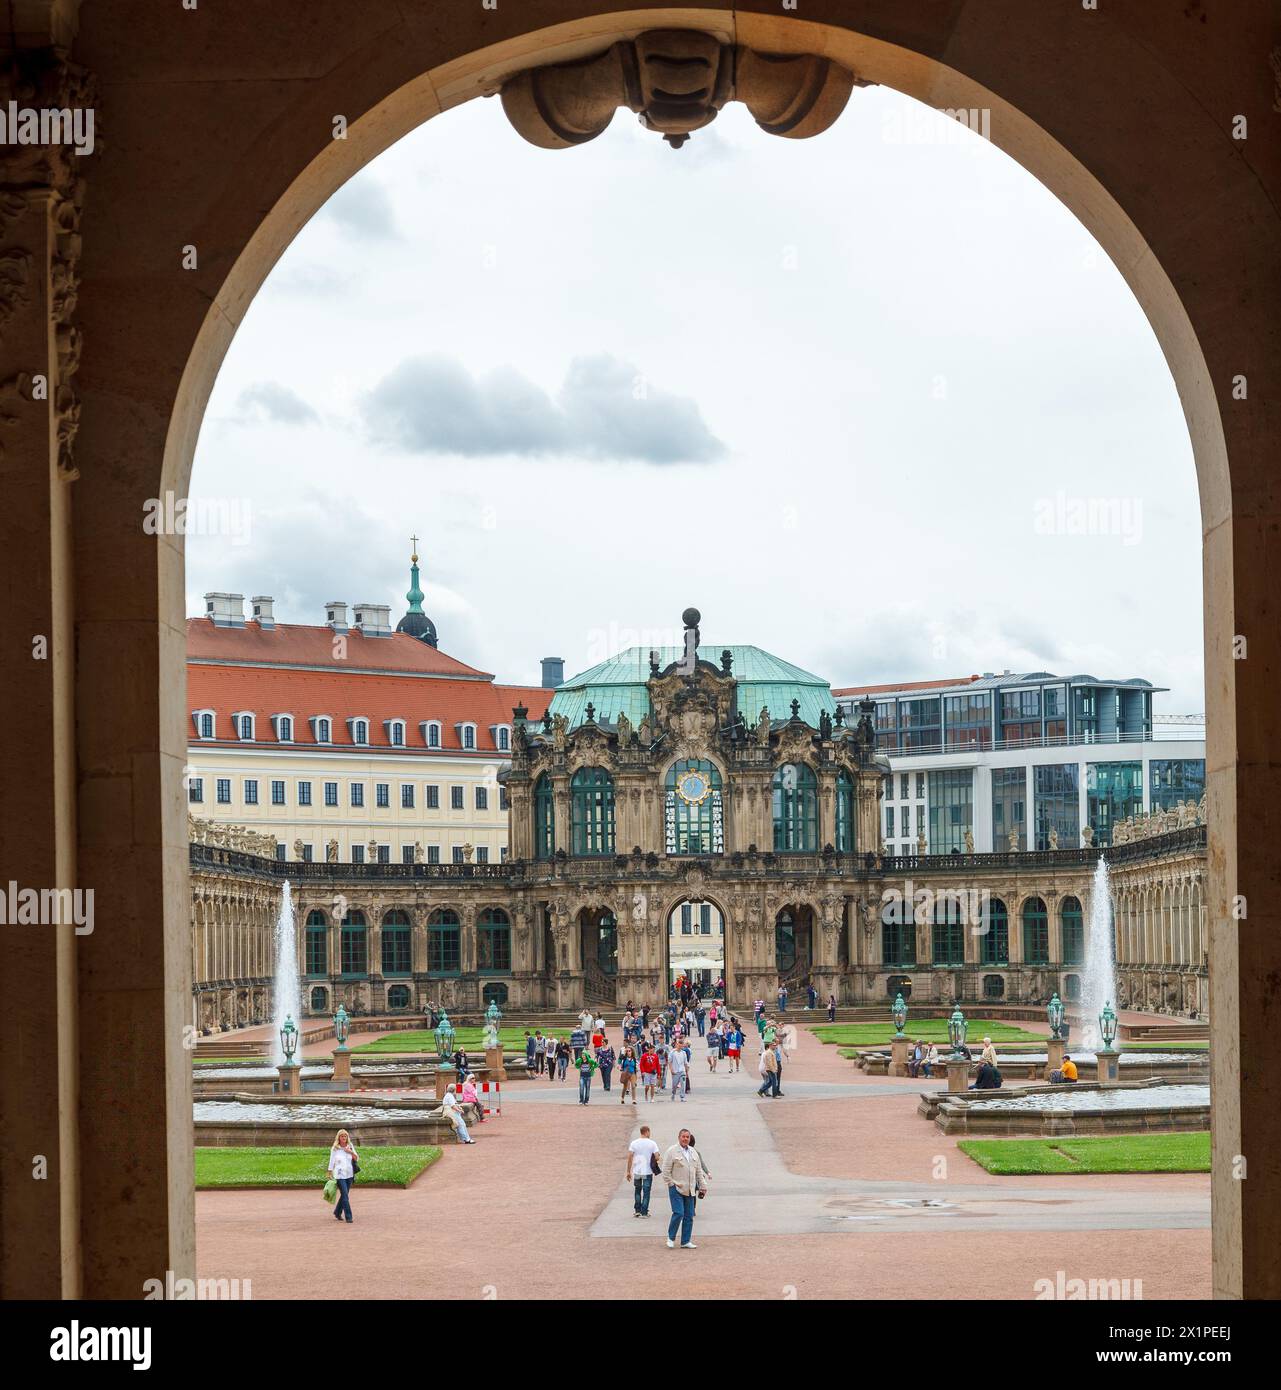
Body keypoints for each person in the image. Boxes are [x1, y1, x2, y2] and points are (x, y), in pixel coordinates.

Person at [662, 1128, 709, 1248]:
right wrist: (671, 1183)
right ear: (679, 1137)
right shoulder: (672, 1151)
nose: (685, 1139)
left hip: (690, 1189)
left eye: (687, 1137)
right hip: (676, 1187)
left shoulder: (693, 1152)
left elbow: (698, 1170)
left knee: (689, 1215)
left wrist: (703, 1185)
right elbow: (666, 1170)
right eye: (683, 1136)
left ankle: (685, 1241)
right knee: (678, 1213)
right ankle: (671, 1238)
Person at [627, 1123, 660, 1218]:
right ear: (647, 1132)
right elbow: (657, 1156)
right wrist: (655, 1159)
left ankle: (637, 1210)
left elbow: (630, 1156)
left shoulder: (634, 1143)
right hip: (648, 1171)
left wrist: (628, 1171)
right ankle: (644, 1212)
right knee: (646, 1192)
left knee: (637, 1190)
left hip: (637, 1171)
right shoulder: (652, 1143)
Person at [328, 1128, 359, 1223]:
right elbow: (331, 1160)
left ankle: (337, 1212)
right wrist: (329, 1171)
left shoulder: (350, 1146)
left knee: (344, 1195)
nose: (344, 1138)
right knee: (345, 1195)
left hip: (349, 1174)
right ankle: (348, 1216)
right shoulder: (335, 1148)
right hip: (339, 1175)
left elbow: (356, 1158)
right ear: (339, 1138)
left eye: (345, 1136)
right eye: (342, 1136)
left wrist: (350, 1151)